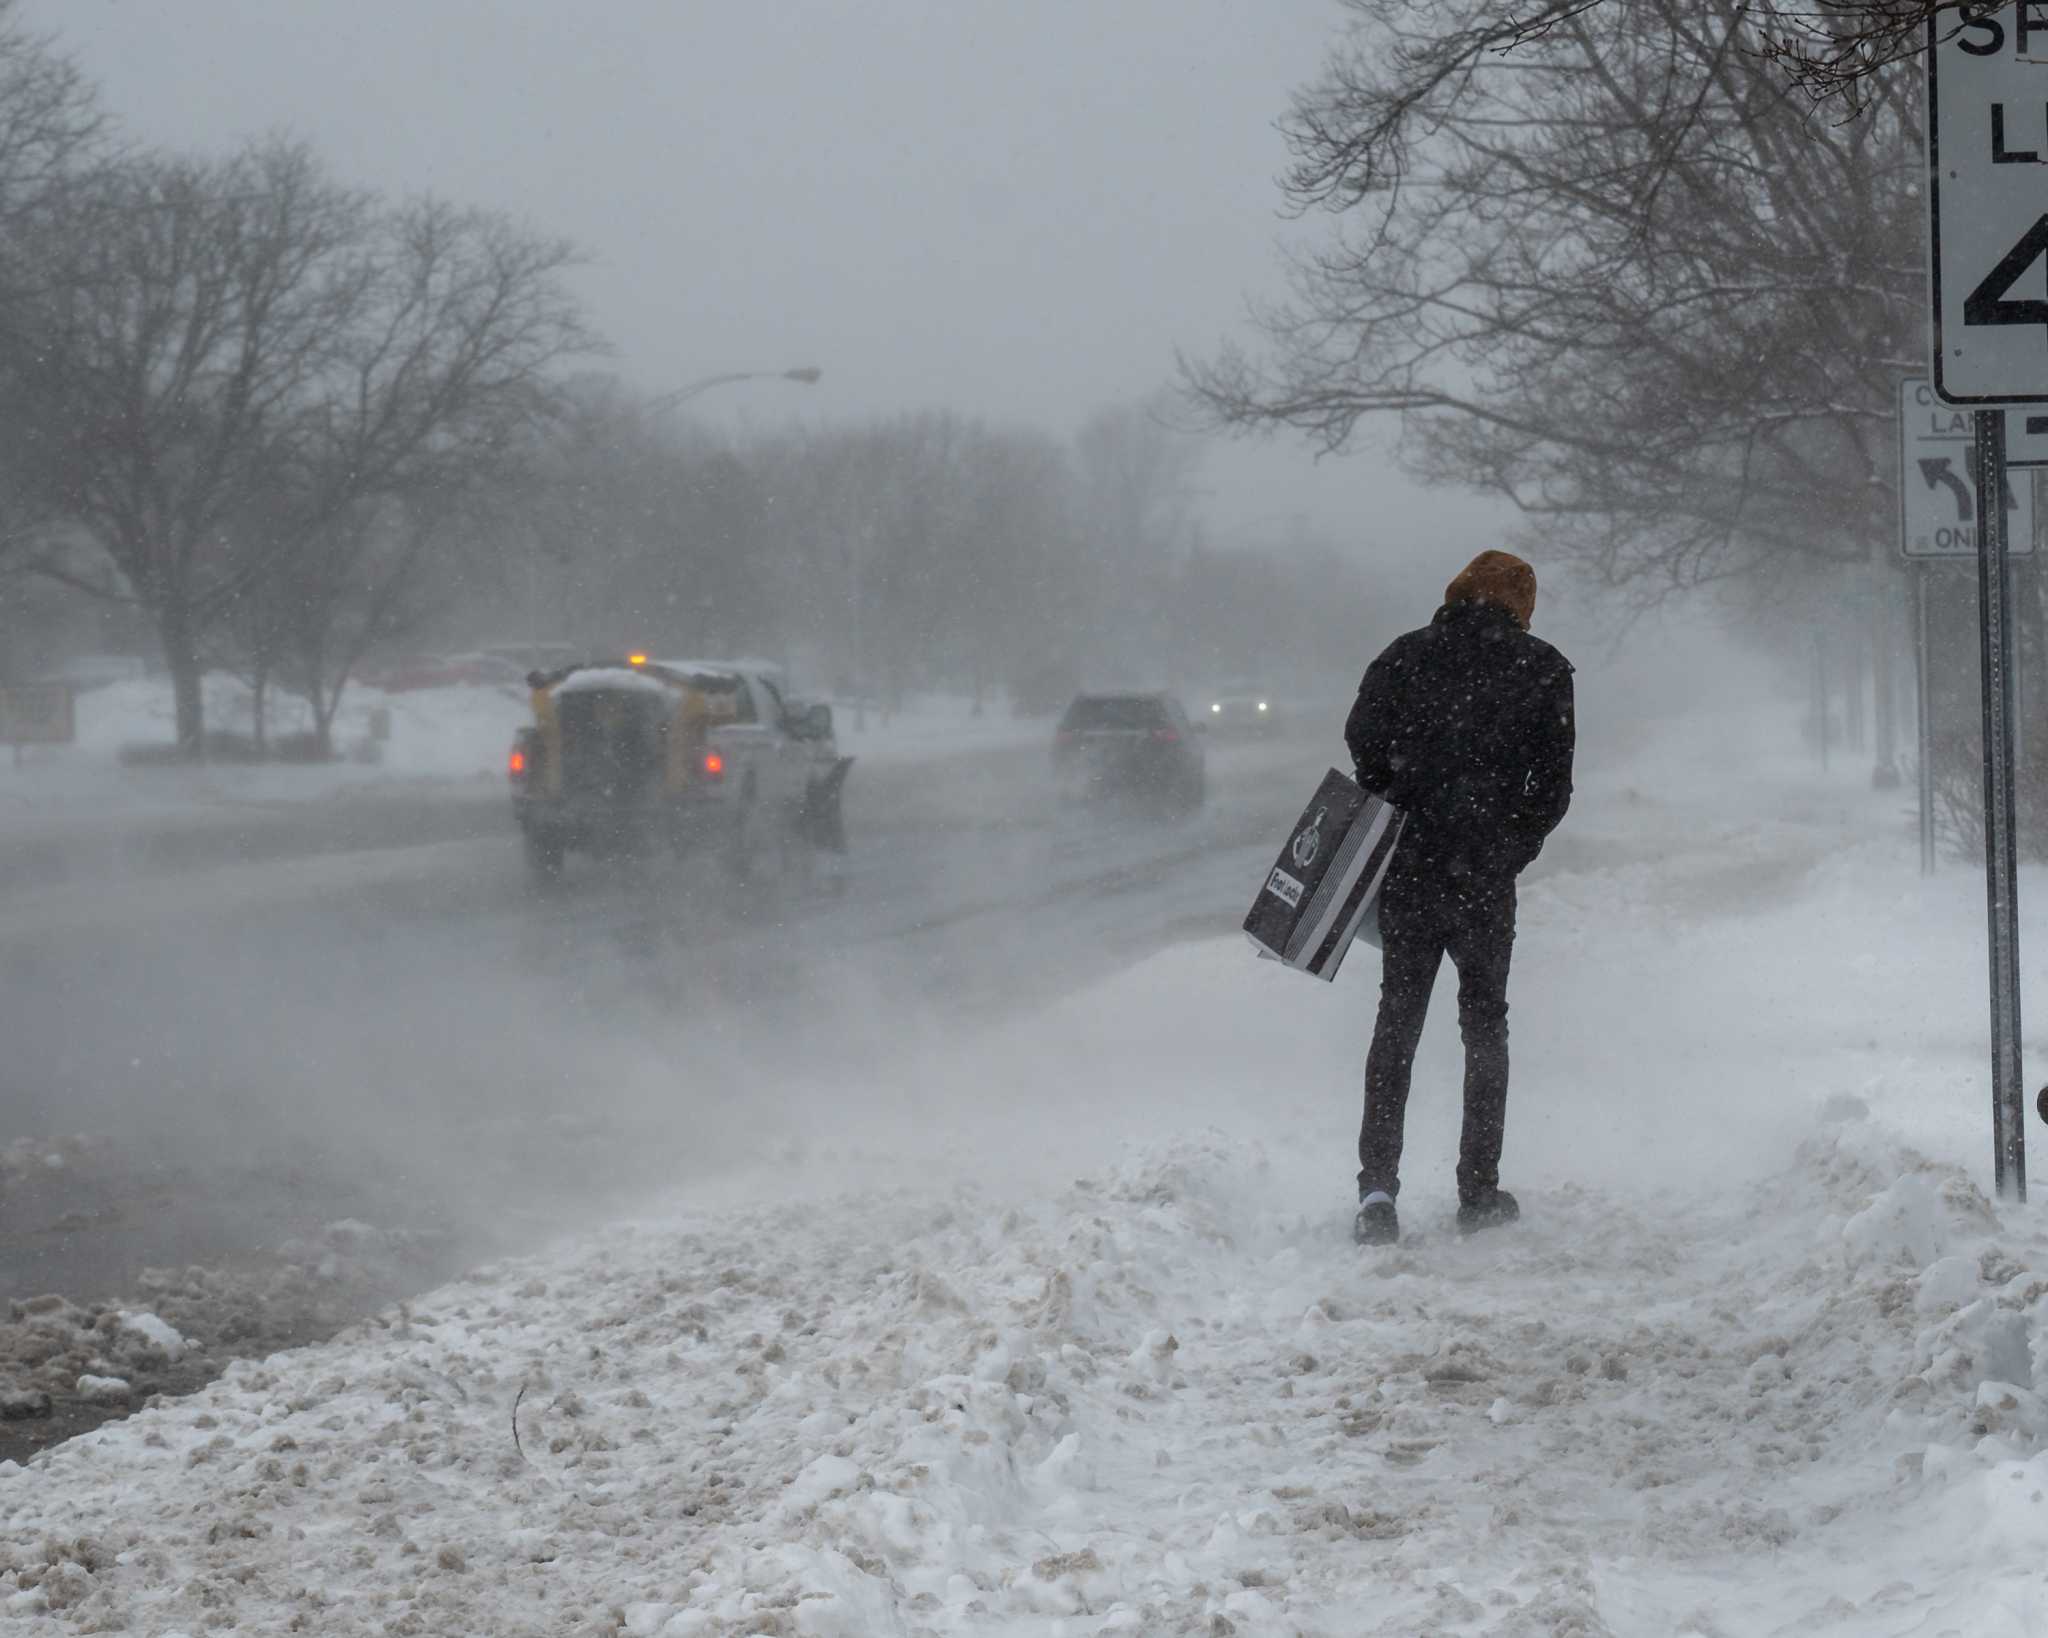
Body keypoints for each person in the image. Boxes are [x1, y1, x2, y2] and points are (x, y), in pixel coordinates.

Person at [1343, 550, 1575, 1246]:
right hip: (1483, 878)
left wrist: (1400, 796)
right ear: (1520, 605)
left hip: (1410, 869)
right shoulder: (1542, 668)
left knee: (1397, 1022)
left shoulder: (1403, 657)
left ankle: (1377, 1192)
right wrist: (1510, 847)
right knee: (1485, 1027)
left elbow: (1362, 742)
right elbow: (1553, 787)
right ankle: (1477, 1190)